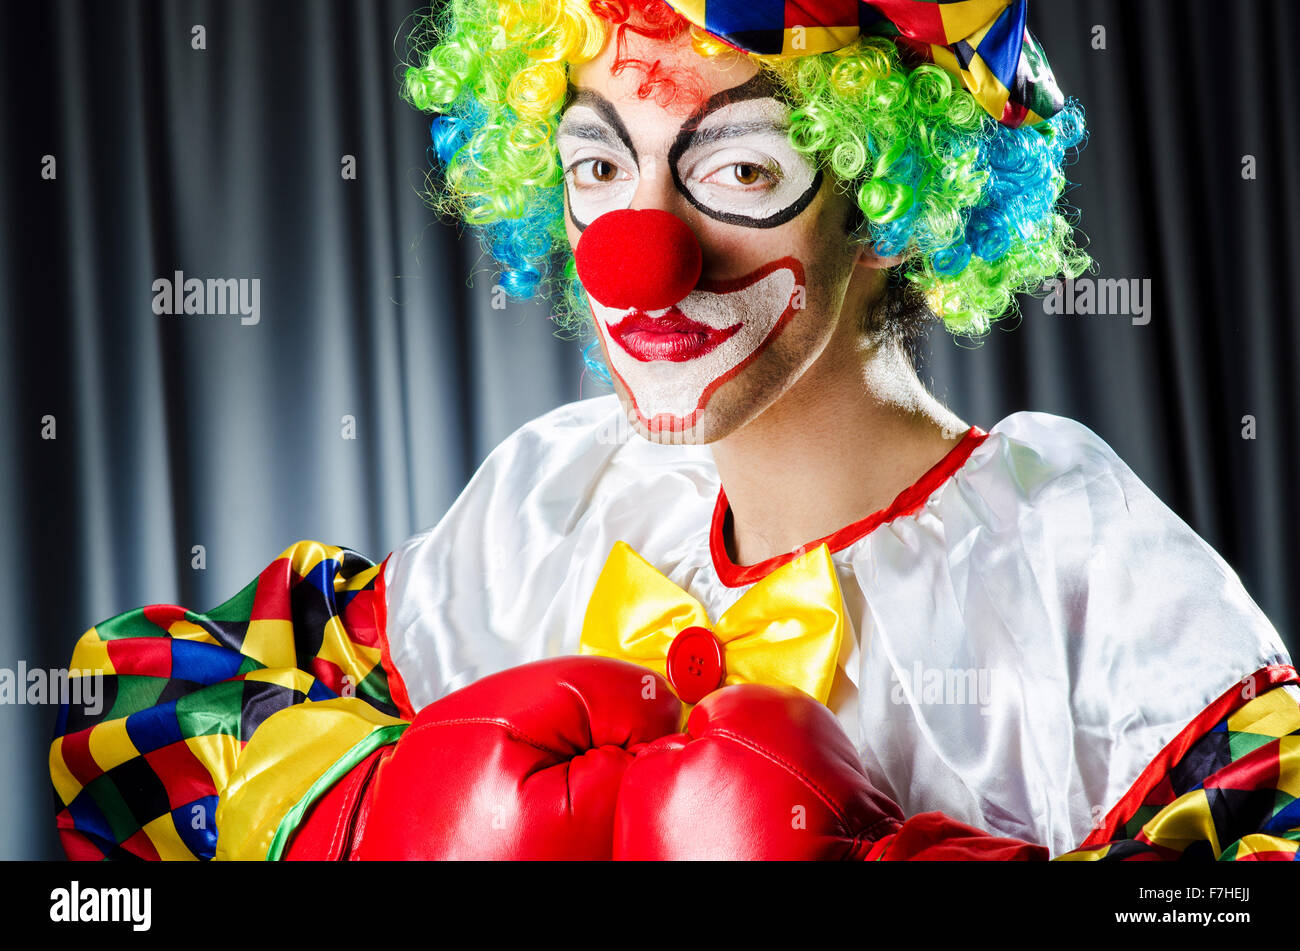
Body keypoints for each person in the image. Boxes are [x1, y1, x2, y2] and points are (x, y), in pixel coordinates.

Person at [50, 0, 1300, 861]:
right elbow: (129, 707)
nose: (641, 259)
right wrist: (370, 808)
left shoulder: (1072, 560)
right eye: (598, 168)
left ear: (900, 205)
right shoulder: (559, 499)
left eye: (741, 173)